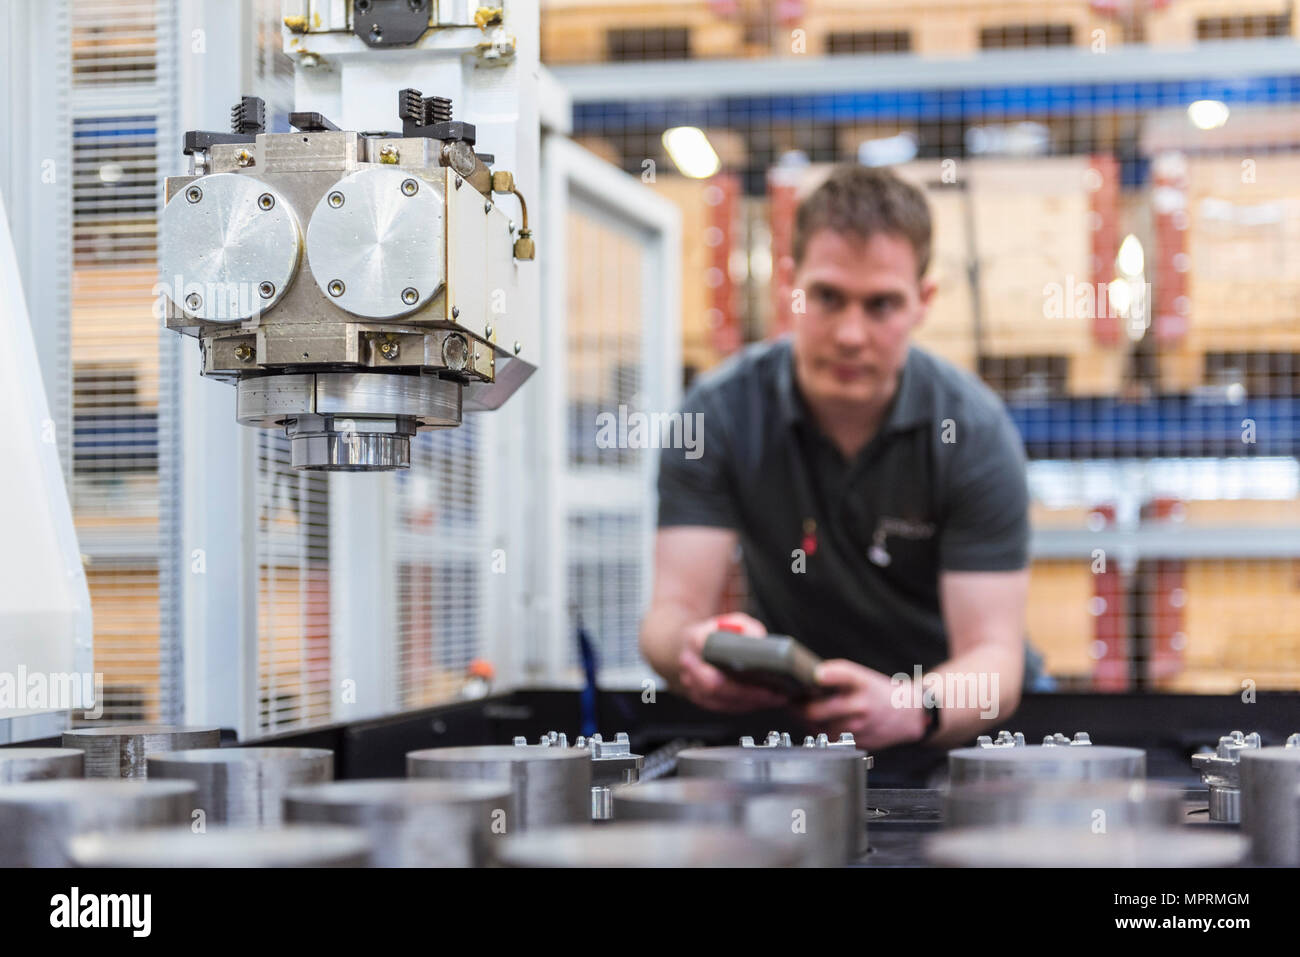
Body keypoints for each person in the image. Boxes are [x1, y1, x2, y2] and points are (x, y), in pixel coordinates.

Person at [639, 164, 1035, 752]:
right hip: (798, 728)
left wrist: (913, 705)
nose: (851, 335)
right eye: (827, 297)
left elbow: (997, 661)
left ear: (923, 302)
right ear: (789, 285)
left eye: (881, 305)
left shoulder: (972, 432)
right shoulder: (717, 416)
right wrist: (693, 650)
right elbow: (668, 616)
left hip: (943, 731)